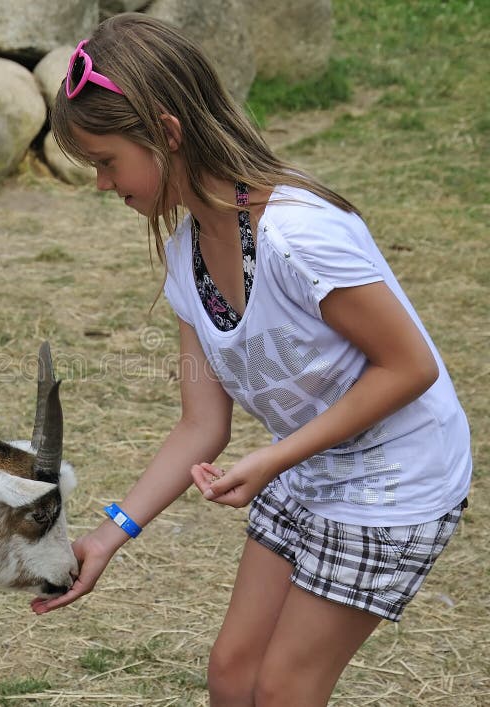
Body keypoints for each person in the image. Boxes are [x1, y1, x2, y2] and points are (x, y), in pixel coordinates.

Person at [31, 13, 472, 707]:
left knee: (284, 691)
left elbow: (410, 367)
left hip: (395, 483)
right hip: (308, 466)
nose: (102, 184)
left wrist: (274, 457)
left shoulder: (300, 235)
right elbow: (201, 426)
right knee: (232, 676)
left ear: (168, 135)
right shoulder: (187, 254)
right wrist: (111, 533)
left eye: (107, 161)